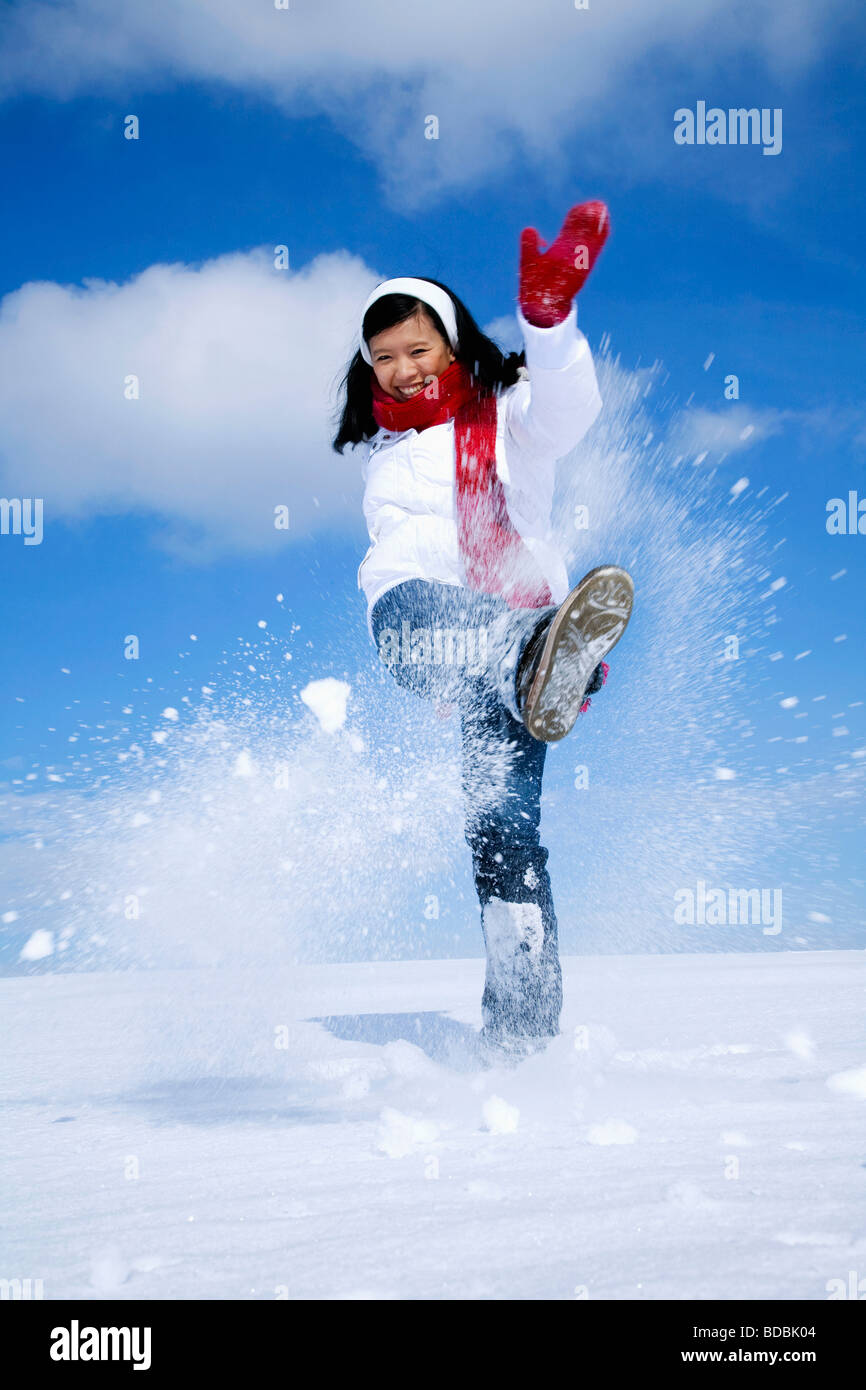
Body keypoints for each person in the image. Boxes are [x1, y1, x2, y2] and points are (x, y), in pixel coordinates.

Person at [333, 201, 634, 1057]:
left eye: (418, 350)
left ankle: (524, 1022)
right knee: (466, 627)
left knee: (501, 827)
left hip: (504, 669)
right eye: (383, 358)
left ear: (455, 344)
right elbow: (413, 555)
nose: (402, 369)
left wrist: (551, 321)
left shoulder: (512, 418)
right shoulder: (385, 458)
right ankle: (538, 653)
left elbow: (571, 411)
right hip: (415, 621)